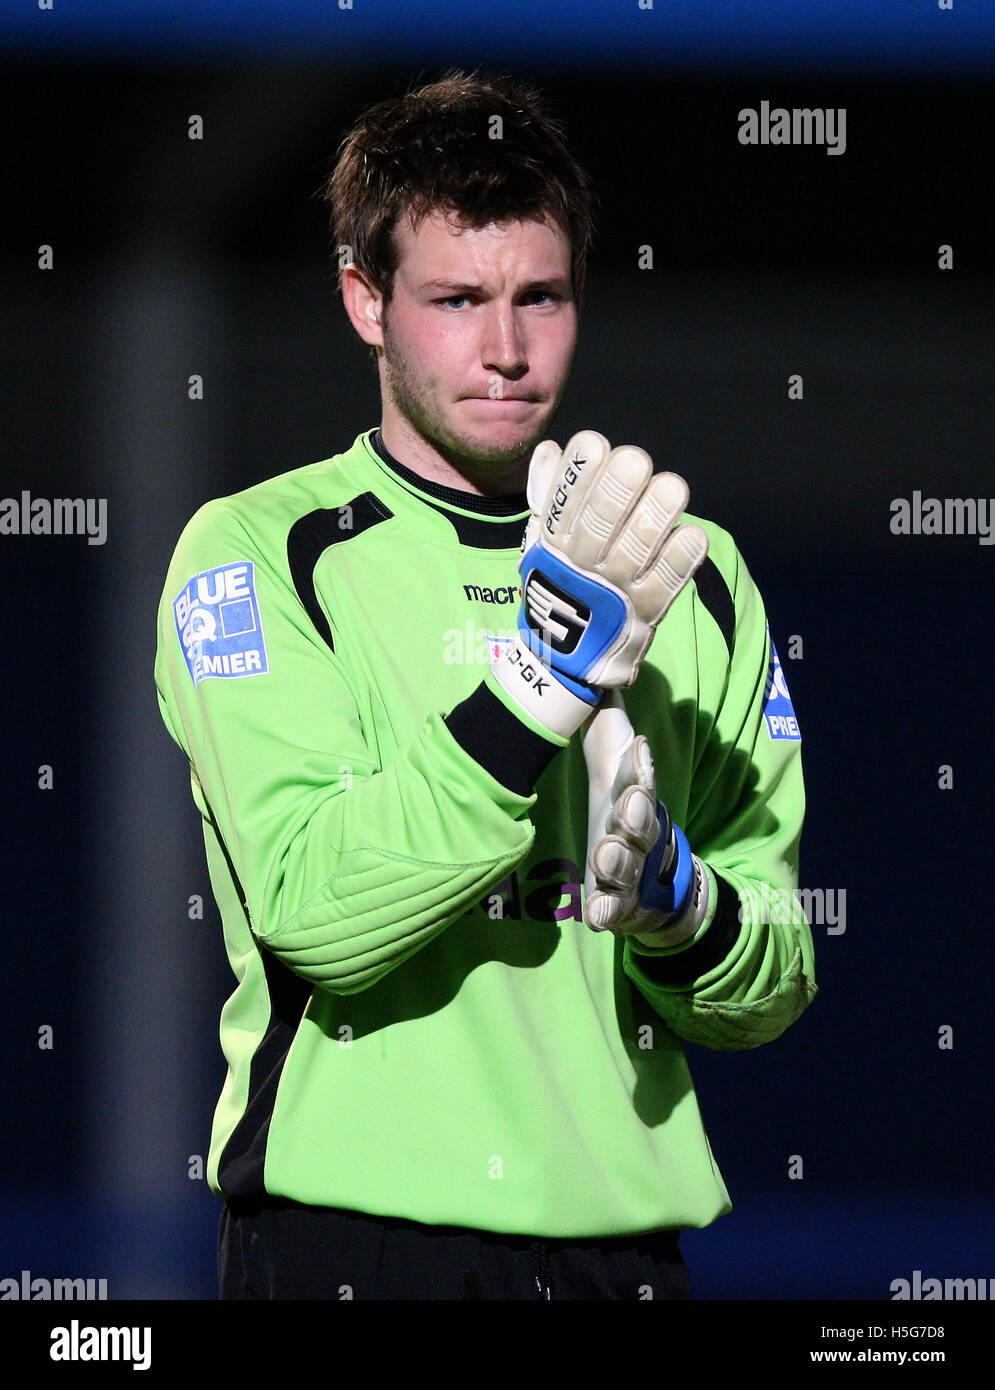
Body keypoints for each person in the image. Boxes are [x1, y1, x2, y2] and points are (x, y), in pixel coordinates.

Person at [154, 69, 817, 1301]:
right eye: (455, 300)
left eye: (540, 297)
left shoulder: (693, 571)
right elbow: (316, 912)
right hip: (347, 1245)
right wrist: (540, 679)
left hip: (624, 1255)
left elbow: (773, 976)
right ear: (365, 299)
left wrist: (677, 902)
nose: (505, 350)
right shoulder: (256, 551)